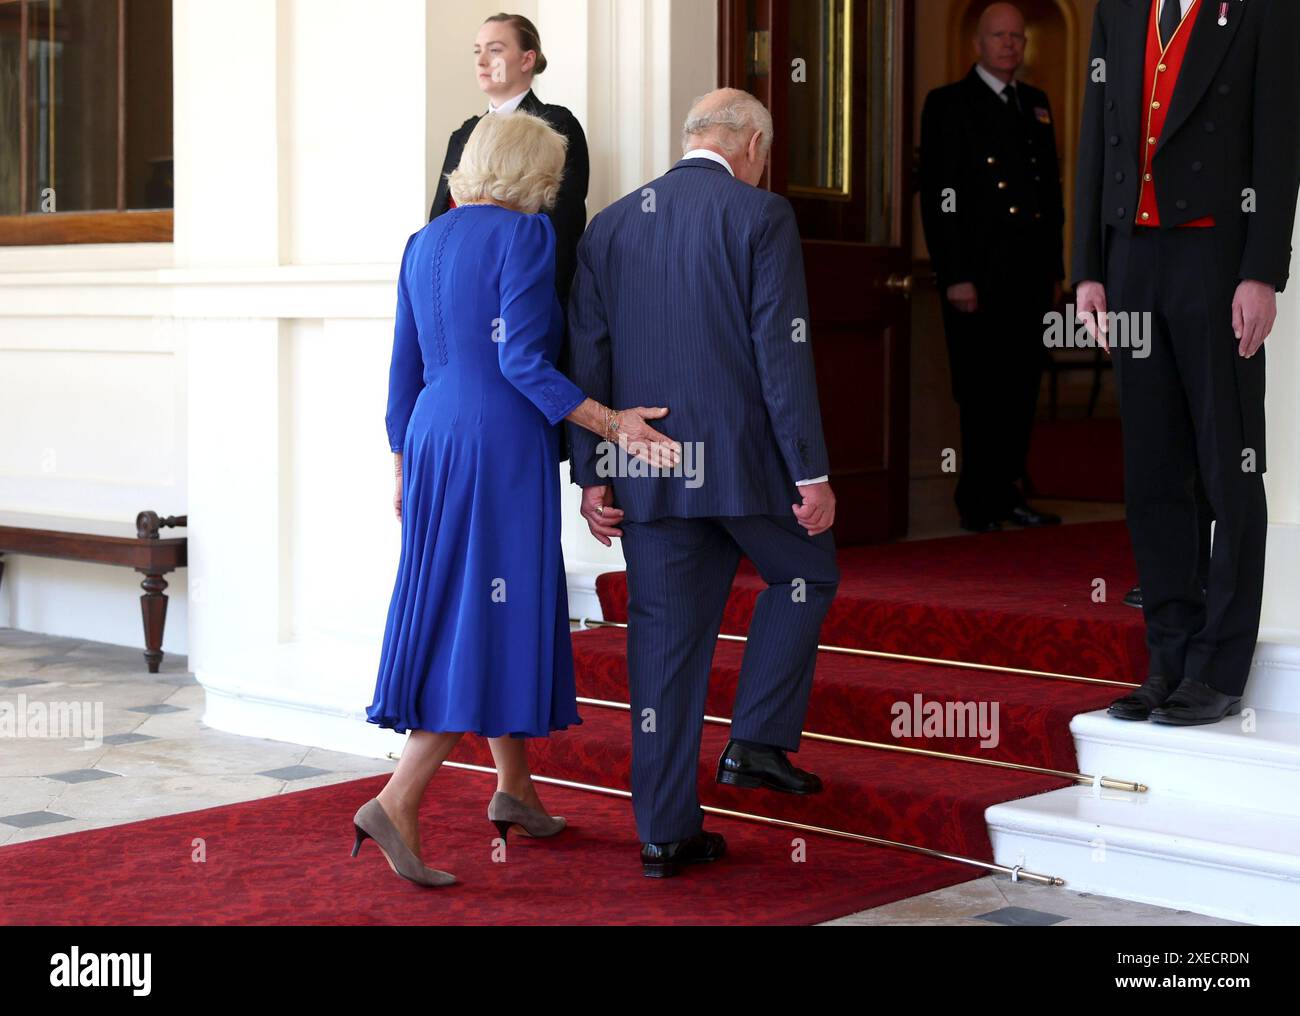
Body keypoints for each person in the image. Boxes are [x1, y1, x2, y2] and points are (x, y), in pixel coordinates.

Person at [354, 112, 679, 888]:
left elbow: (403, 369)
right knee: (483, 612)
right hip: (497, 438)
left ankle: (515, 790)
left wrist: (404, 462)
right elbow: (524, 362)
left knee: (466, 602)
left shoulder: (424, 241)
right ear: (537, 174)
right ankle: (398, 798)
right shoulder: (525, 237)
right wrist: (613, 424)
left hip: (435, 436)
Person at [566, 89, 841, 878]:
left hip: (647, 469)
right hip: (744, 469)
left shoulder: (611, 225)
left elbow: (587, 354)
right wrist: (810, 471)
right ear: (751, 144)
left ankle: (663, 835)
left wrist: (593, 475)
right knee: (806, 571)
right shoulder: (761, 216)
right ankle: (753, 741)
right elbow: (780, 351)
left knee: (663, 652)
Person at [1074, 0, 1300, 725]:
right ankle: (1167, 658)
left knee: (1227, 464)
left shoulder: (1267, 11)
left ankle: (1219, 666)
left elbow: (1278, 138)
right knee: (1153, 470)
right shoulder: (1118, 12)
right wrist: (1087, 270)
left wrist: (1262, 271)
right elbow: (1098, 138)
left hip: (1217, 259)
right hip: (1132, 258)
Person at [919, 2, 1066, 533]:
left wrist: (1056, 269)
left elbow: (1050, 194)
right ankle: (978, 500)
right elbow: (940, 196)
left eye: (1017, 37)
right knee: (981, 388)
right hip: (977, 274)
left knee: (1022, 384)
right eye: (999, 36)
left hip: (1028, 274)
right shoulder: (949, 104)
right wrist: (954, 272)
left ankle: (1008, 492)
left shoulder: (1036, 104)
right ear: (976, 43)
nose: (1010, 45)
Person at [430, 12, 590, 464]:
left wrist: (536, 321)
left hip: (519, 311)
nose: (483, 60)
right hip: (462, 317)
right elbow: (440, 221)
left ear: (528, 58)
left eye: (495, 49)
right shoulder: (464, 133)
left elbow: (561, 227)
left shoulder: (556, 125)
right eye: (477, 51)